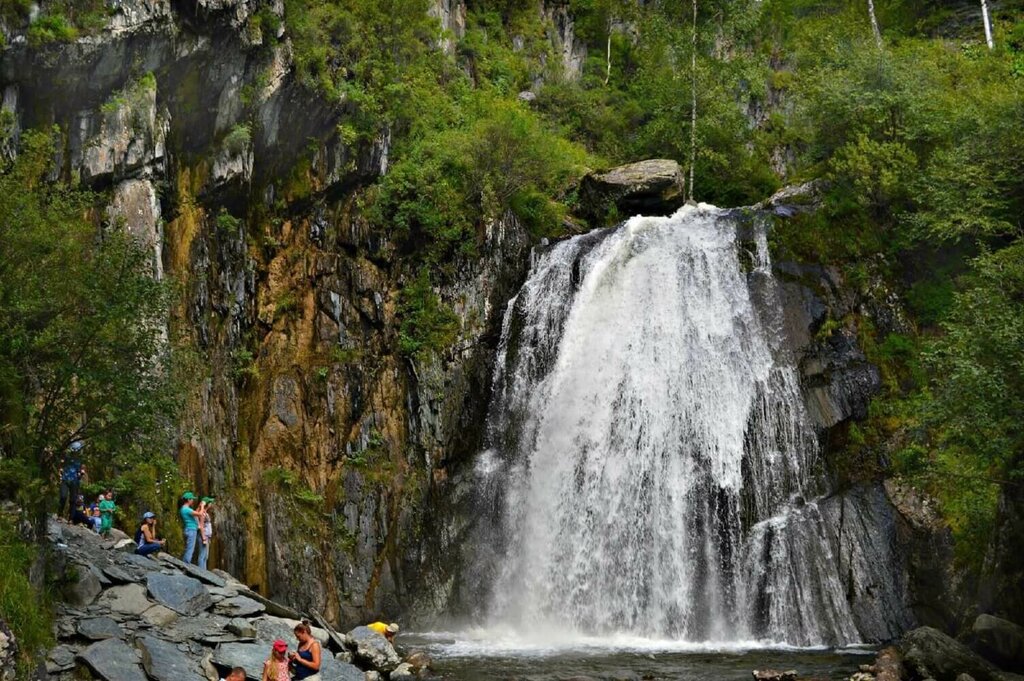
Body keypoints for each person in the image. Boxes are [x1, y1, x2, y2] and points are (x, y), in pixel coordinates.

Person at [57, 442, 85, 519]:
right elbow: (60, 466)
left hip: (75, 481)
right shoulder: (66, 457)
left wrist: (81, 473)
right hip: (65, 479)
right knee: (63, 496)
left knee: (73, 500)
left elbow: (82, 469)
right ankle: (60, 514)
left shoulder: (80, 459)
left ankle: (71, 518)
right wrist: (60, 472)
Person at [179, 492, 202, 564]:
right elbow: (200, 514)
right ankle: (186, 564)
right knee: (190, 548)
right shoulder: (186, 509)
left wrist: (199, 506)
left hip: (188, 529)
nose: (193, 501)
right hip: (191, 530)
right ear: (188, 500)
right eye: (192, 499)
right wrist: (203, 506)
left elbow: (195, 513)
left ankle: (185, 563)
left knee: (188, 547)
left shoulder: (184, 509)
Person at [197, 496, 214, 570]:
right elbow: (201, 525)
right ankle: (201, 572)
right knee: (202, 555)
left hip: (207, 536)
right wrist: (203, 537)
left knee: (206, 556)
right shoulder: (202, 513)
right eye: (210, 503)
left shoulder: (205, 512)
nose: (211, 504)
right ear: (207, 504)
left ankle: (204, 571)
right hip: (203, 536)